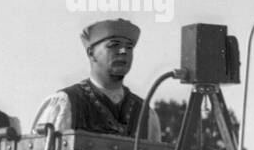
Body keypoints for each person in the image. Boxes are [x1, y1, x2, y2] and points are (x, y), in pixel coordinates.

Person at [32, 18, 161, 140]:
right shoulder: (66, 104)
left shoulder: (145, 114)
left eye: (129, 47)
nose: (123, 51)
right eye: (114, 45)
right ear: (90, 53)